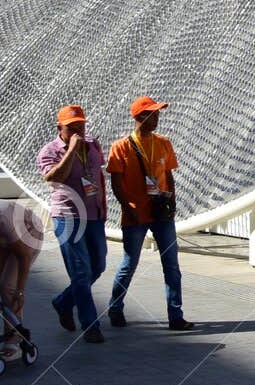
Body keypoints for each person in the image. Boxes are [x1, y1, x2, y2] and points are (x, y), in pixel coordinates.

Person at [106, 96, 193, 330]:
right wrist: (127, 208)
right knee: (129, 264)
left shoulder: (163, 142)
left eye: (157, 114)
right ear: (140, 117)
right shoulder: (121, 146)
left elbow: (169, 175)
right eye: (153, 114)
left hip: (161, 213)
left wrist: (172, 203)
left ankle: (176, 316)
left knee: (172, 265)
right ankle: (115, 308)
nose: (157, 118)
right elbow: (115, 182)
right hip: (135, 214)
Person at [37, 105, 110, 342]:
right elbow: (53, 177)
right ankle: (91, 325)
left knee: (97, 266)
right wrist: (72, 150)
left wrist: (103, 207)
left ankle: (63, 301)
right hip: (67, 217)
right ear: (60, 128)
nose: (79, 129)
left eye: (82, 124)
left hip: (94, 216)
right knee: (80, 272)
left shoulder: (93, 146)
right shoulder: (49, 151)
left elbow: (97, 175)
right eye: (72, 126)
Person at [0, 200, 44, 362]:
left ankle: (15, 338)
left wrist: (20, 290)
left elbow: (23, 256)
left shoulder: (4, 220)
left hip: (30, 233)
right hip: (5, 238)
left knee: (7, 287)